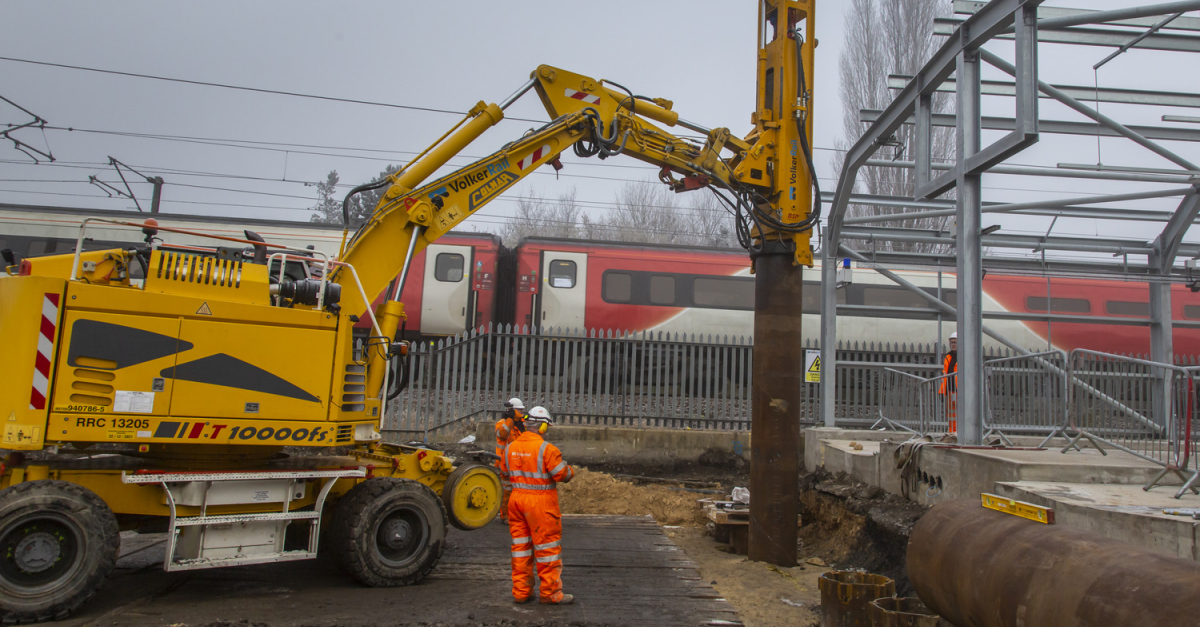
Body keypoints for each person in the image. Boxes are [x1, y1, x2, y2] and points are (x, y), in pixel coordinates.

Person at [500, 406, 575, 605]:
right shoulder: (547, 449)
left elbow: (505, 474)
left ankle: (521, 592)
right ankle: (550, 594)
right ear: (542, 427)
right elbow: (561, 474)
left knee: (521, 548)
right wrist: (570, 471)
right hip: (540, 503)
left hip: (516, 501)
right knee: (547, 547)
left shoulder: (510, 448)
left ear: (525, 423)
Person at [494, 398, 525, 522]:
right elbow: (502, 434)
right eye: (519, 410)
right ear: (512, 410)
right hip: (505, 463)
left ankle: (518, 515)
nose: (522, 412)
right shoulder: (502, 423)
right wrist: (510, 420)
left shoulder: (522, 424)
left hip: (519, 463)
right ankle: (505, 516)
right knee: (507, 490)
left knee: (519, 490)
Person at [940, 332, 958, 434]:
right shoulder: (949, 356)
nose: (953, 344)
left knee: (958, 412)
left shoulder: (964, 356)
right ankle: (952, 432)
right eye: (951, 342)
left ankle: (957, 432)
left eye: (955, 342)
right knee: (951, 413)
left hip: (959, 389)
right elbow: (945, 374)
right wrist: (942, 391)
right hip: (950, 389)